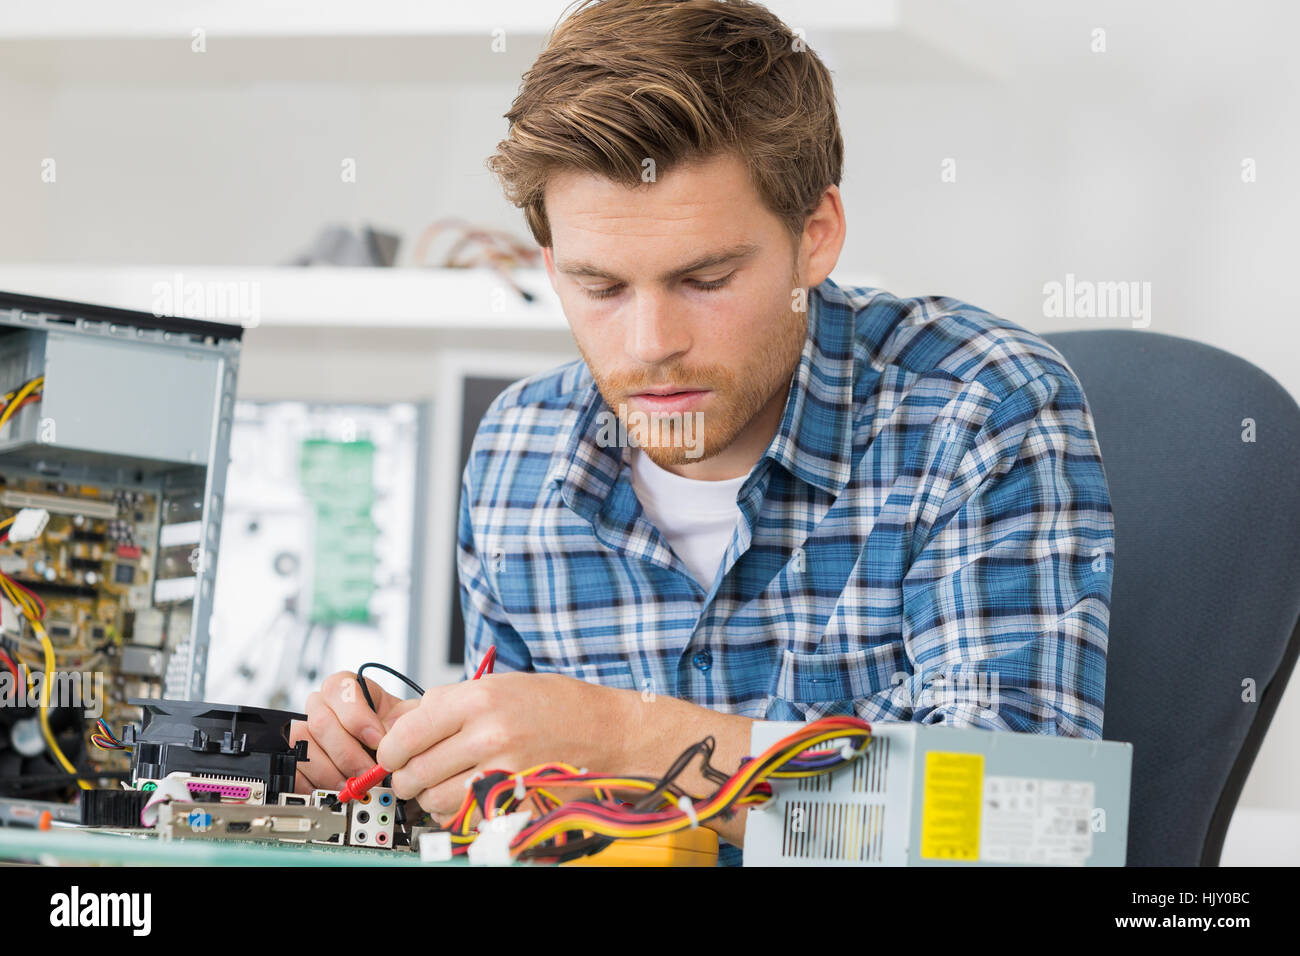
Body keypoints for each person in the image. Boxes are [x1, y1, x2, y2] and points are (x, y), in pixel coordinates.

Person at [292, 0, 1115, 865]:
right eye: (599, 288)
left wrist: (624, 741)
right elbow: (515, 832)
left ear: (816, 236)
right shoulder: (516, 457)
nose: (650, 346)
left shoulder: (979, 410)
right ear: (550, 266)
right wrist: (401, 765)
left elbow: (1026, 829)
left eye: (705, 278)